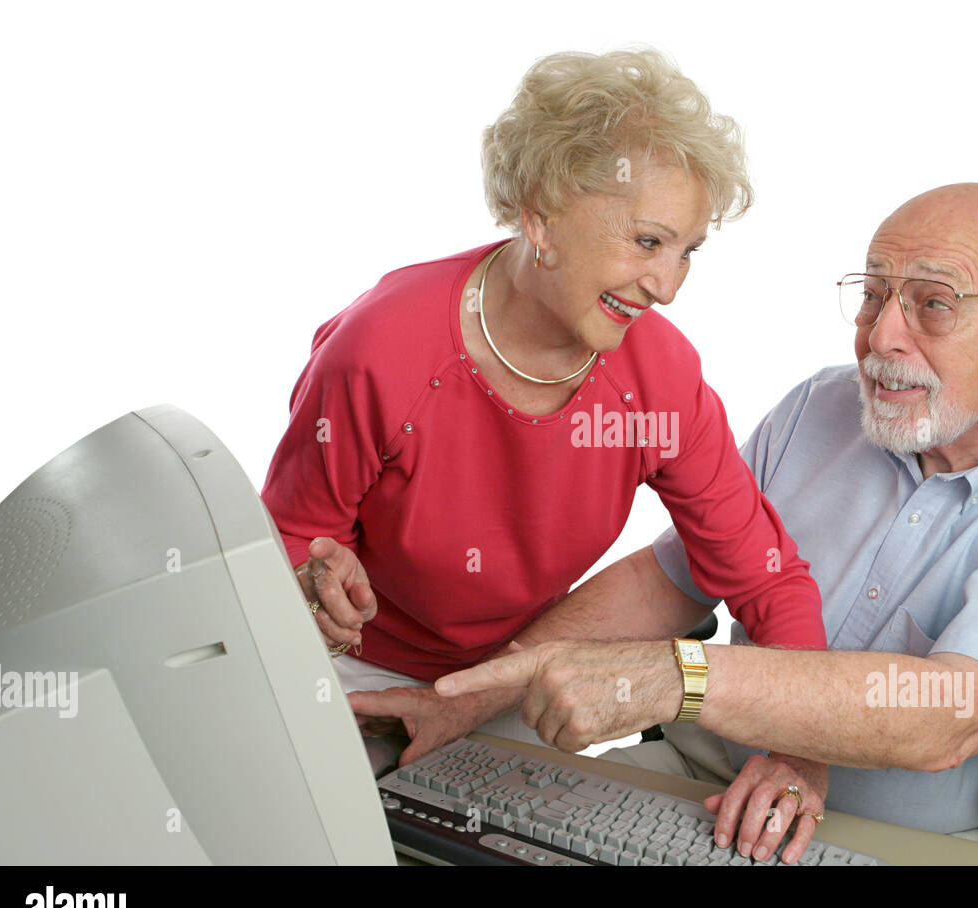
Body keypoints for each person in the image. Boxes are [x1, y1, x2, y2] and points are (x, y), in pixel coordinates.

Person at [437, 183, 978, 862]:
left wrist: (677, 678)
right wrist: (468, 695)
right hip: (701, 782)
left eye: (934, 305)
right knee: (459, 830)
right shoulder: (818, 408)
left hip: (920, 841)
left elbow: (946, 714)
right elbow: (672, 580)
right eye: (873, 296)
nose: (881, 338)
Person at [258, 50, 828, 815]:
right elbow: (293, 536)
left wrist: (799, 748)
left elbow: (767, 577)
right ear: (541, 217)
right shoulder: (380, 350)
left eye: (688, 251)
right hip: (360, 678)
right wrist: (317, 587)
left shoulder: (661, 378)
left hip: (518, 684)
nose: (668, 287)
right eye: (648, 243)